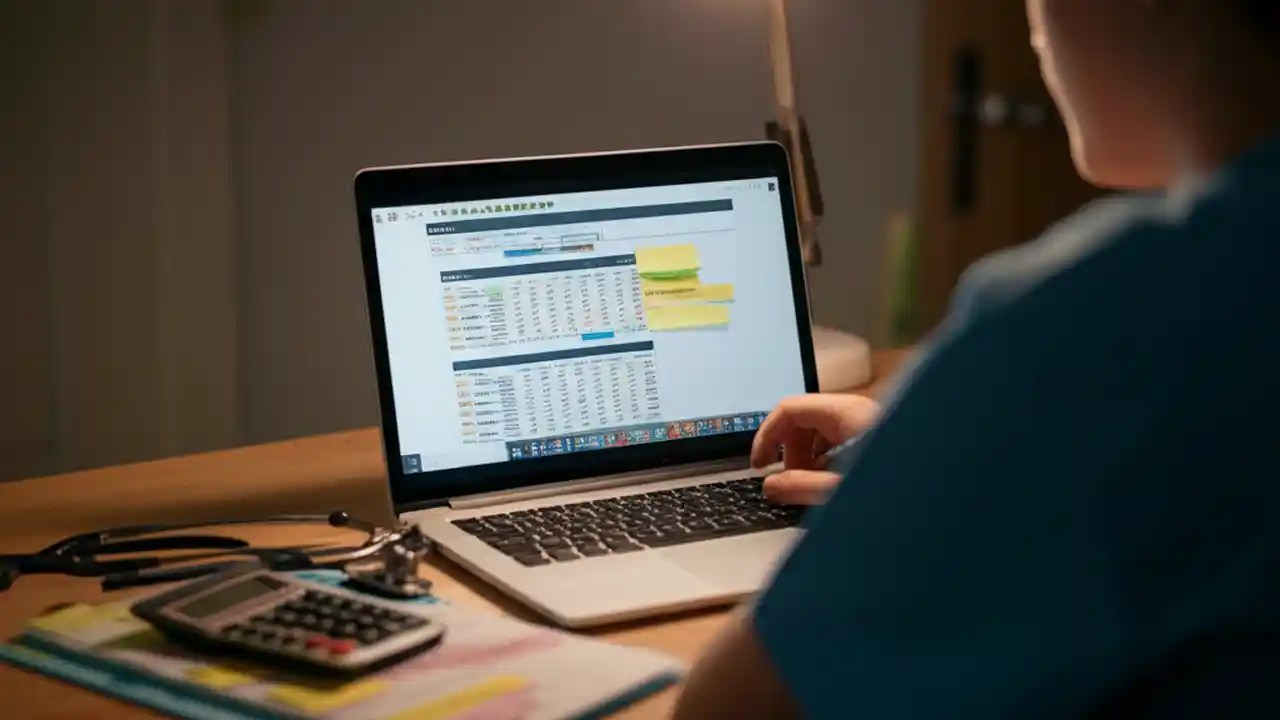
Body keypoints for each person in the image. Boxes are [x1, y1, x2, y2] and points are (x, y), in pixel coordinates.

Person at [674, 1, 1280, 717]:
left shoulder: (1096, 321)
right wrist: (946, 457)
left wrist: (953, 459)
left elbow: (730, 709)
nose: (1033, 26)